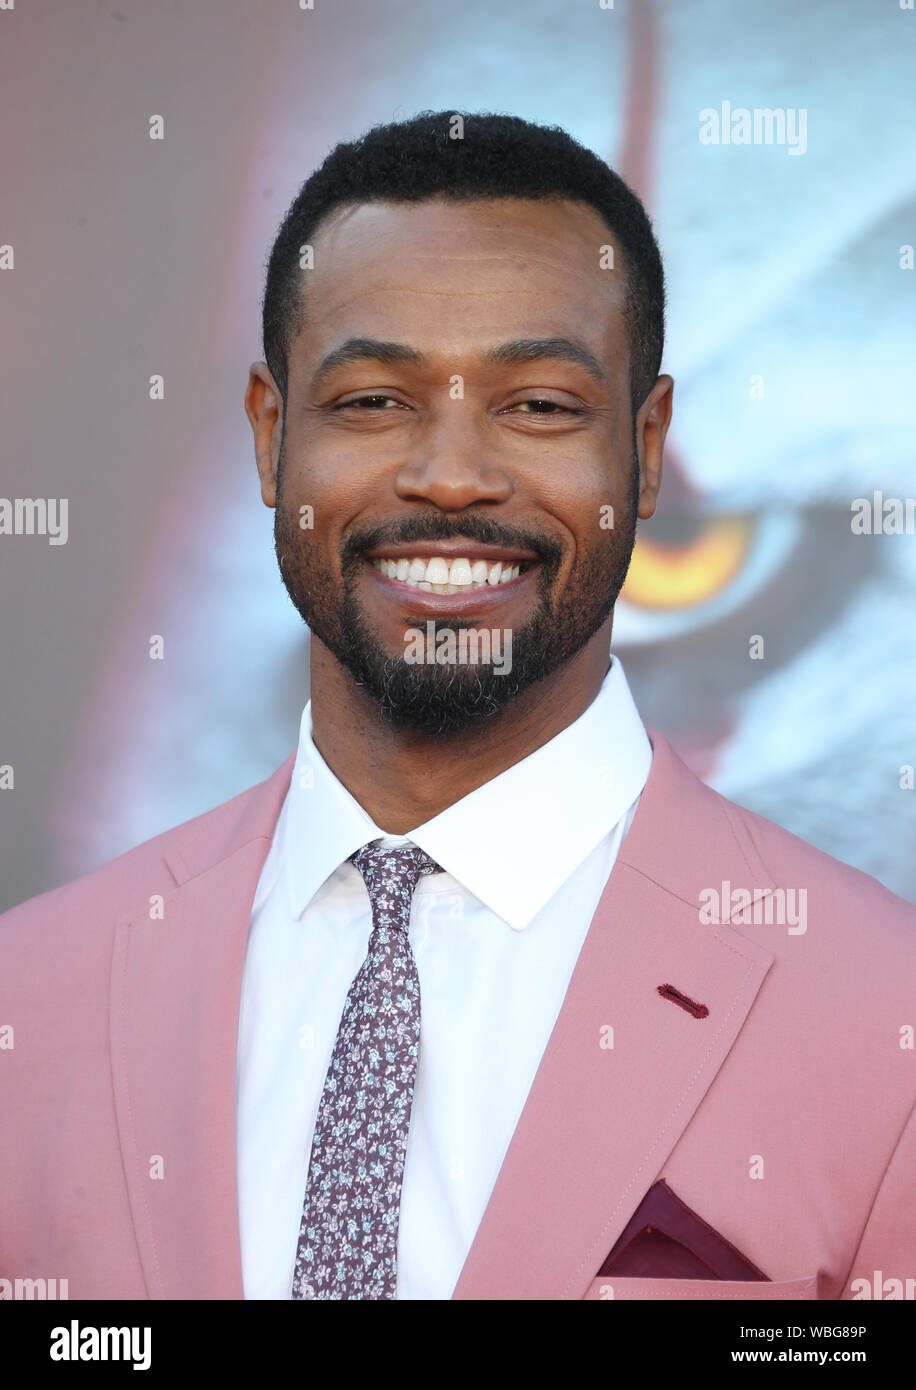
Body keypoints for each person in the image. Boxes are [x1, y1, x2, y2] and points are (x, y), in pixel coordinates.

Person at [1, 111, 914, 1303]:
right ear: (270, 437)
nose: (447, 474)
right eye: (372, 401)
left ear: (646, 449)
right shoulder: (30, 998)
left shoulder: (884, 1018)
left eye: (537, 404)